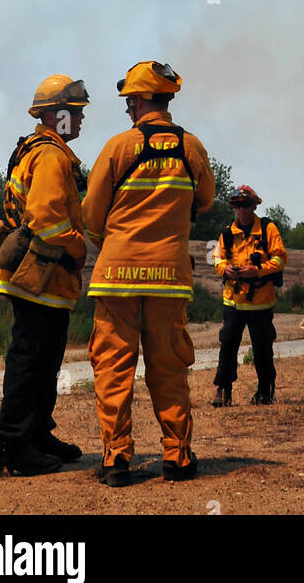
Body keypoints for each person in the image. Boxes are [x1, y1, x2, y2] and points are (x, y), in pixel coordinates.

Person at [83, 61, 214, 486]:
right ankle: (177, 456)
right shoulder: (192, 148)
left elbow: (91, 214)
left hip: (117, 274)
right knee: (169, 366)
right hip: (169, 276)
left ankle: (117, 459)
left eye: (129, 102)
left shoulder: (118, 147)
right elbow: (206, 200)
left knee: (113, 366)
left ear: (139, 100)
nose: (127, 109)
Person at [0, 75, 90, 478]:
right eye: (75, 112)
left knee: (44, 360)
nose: (81, 119)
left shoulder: (38, 149)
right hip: (40, 274)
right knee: (30, 360)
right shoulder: (50, 155)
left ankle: (35, 434)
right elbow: (47, 219)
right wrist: (79, 247)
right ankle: (13, 448)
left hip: (41, 276)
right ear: (55, 115)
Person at [212, 186, 287, 406]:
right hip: (233, 301)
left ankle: (265, 391)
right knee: (227, 346)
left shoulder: (268, 229)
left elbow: (280, 258)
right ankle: (223, 390)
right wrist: (224, 269)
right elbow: (218, 259)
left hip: (261, 303)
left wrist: (257, 271)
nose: (241, 210)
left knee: (263, 349)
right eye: (237, 206)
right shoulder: (226, 233)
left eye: (245, 205)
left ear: (254, 206)